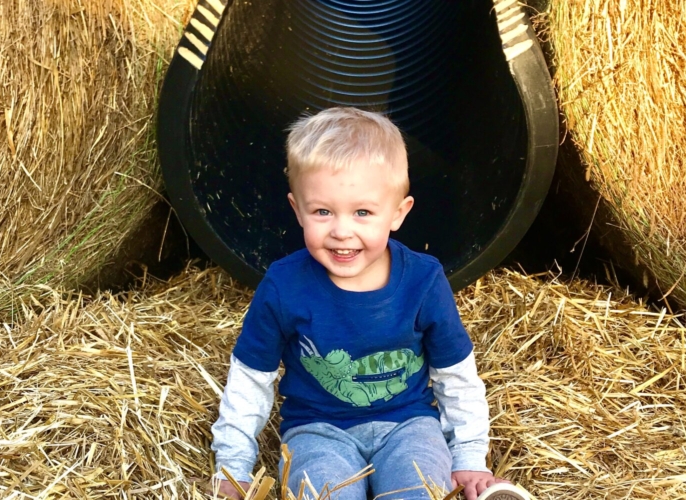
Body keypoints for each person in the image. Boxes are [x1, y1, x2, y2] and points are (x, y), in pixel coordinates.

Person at [210, 107, 528, 500]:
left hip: (409, 426)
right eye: (323, 212)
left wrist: (468, 456)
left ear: (397, 213)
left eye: (363, 212)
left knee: (420, 491)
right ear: (297, 210)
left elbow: (456, 378)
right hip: (317, 431)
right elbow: (249, 383)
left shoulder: (424, 281)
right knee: (324, 493)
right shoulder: (283, 286)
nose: (342, 231)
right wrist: (234, 467)